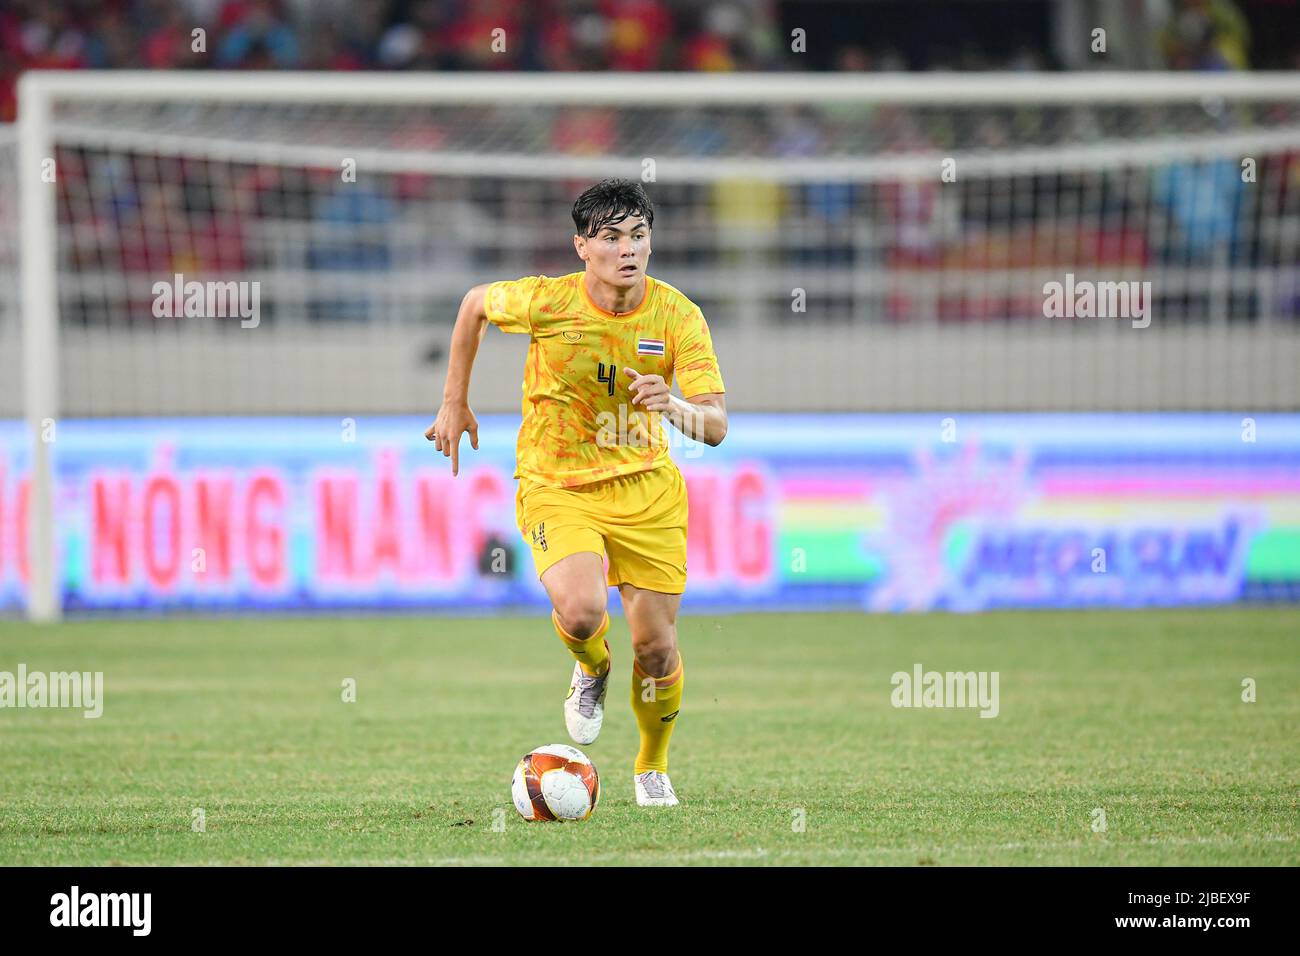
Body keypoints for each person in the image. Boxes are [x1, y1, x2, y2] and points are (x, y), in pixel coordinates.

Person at [426, 178, 727, 807]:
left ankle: (651, 765)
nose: (628, 249)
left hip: (647, 492)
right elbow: (474, 304)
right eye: (612, 237)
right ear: (582, 247)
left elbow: (716, 426)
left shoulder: (678, 316)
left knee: (656, 646)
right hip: (557, 483)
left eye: (638, 236)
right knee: (585, 610)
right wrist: (455, 400)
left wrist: (670, 404)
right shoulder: (547, 302)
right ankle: (591, 667)